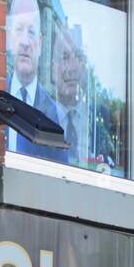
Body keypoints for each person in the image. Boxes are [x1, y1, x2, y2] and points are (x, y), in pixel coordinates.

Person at [5, 0, 66, 162]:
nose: (25, 41)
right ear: (9, 37)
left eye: (31, 32)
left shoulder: (53, 114)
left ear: (40, 43)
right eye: (19, 30)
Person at [51, 26, 88, 167]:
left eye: (79, 57)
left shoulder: (96, 124)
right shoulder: (39, 115)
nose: (73, 68)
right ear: (53, 68)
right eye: (65, 57)